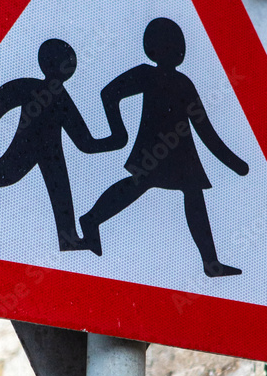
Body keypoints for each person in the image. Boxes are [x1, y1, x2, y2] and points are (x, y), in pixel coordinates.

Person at [79, 18, 249, 276]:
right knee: (140, 185)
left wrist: (233, 162)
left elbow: (204, 128)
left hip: (180, 152)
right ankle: (91, 219)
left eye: (179, 46)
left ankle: (210, 263)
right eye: (171, 46)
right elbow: (109, 93)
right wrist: (118, 131)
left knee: (187, 193)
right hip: (156, 147)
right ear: (154, 49)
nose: (178, 51)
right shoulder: (147, 74)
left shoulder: (184, 83)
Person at [0, 38, 122, 251]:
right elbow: (0, 101)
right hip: (29, 146)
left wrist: (114, 142)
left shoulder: (57, 94)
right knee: (9, 173)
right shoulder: (35, 88)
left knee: (58, 189)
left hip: (51, 151)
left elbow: (83, 141)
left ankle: (68, 238)